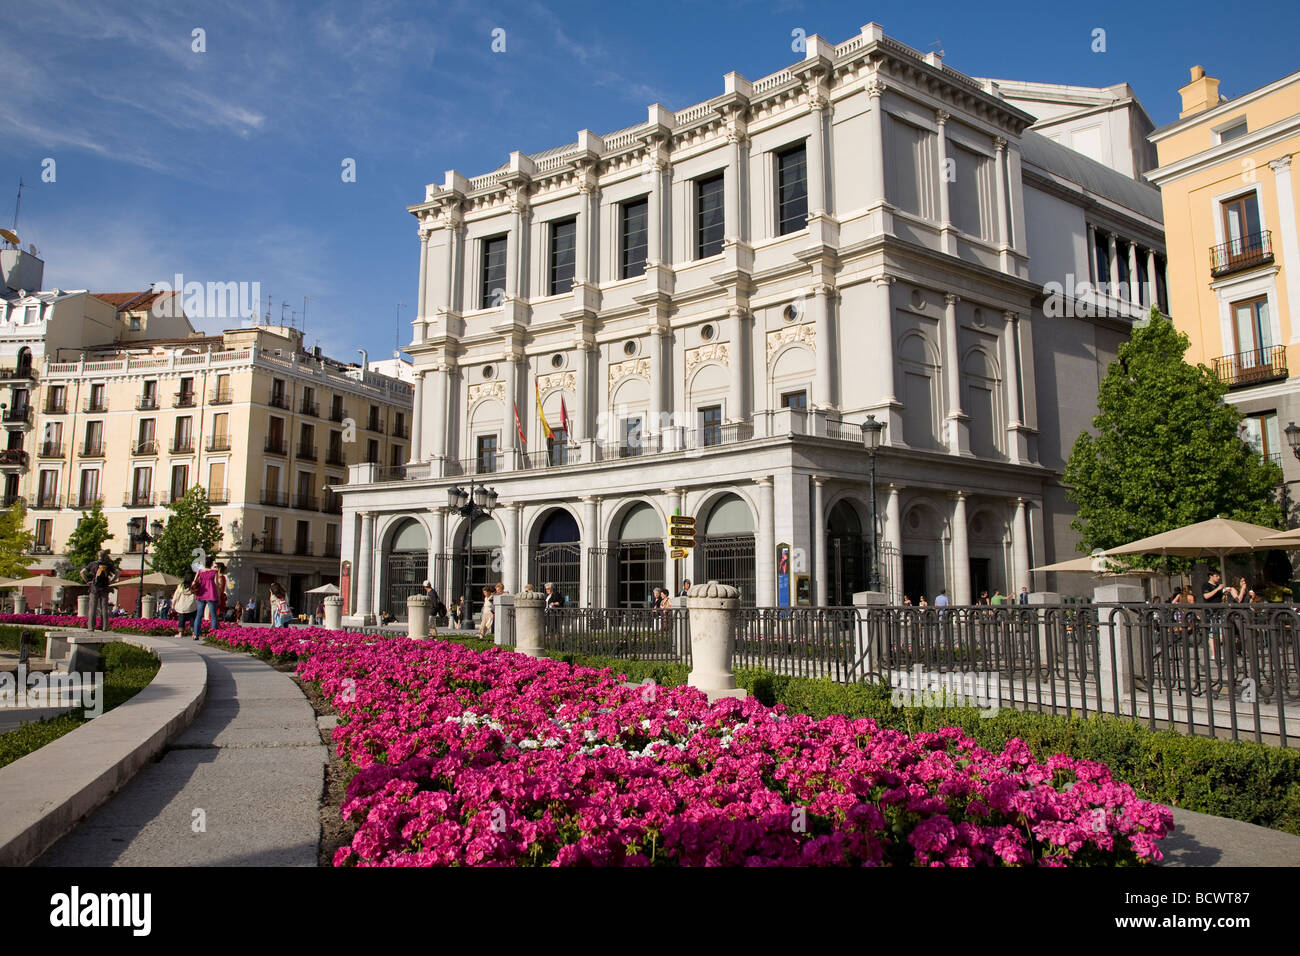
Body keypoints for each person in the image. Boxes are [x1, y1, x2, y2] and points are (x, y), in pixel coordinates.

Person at [81, 550, 118, 632]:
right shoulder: (108, 565)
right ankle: (104, 627)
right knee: (104, 608)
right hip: (104, 587)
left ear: (98, 556)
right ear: (105, 556)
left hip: (94, 587)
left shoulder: (92, 564)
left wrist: (87, 581)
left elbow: (82, 572)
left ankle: (91, 627)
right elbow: (117, 572)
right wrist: (112, 581)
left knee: (92, 608)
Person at [191, 555, 220, 639]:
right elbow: (217, 584)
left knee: (199, 615)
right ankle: (213, 635)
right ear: (211, 564)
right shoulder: (214, 572)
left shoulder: (200, 571)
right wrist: (218, 596)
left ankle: (196, 634)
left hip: (201, 594)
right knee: (213, 615)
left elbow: (194, 582)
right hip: (211, 594)